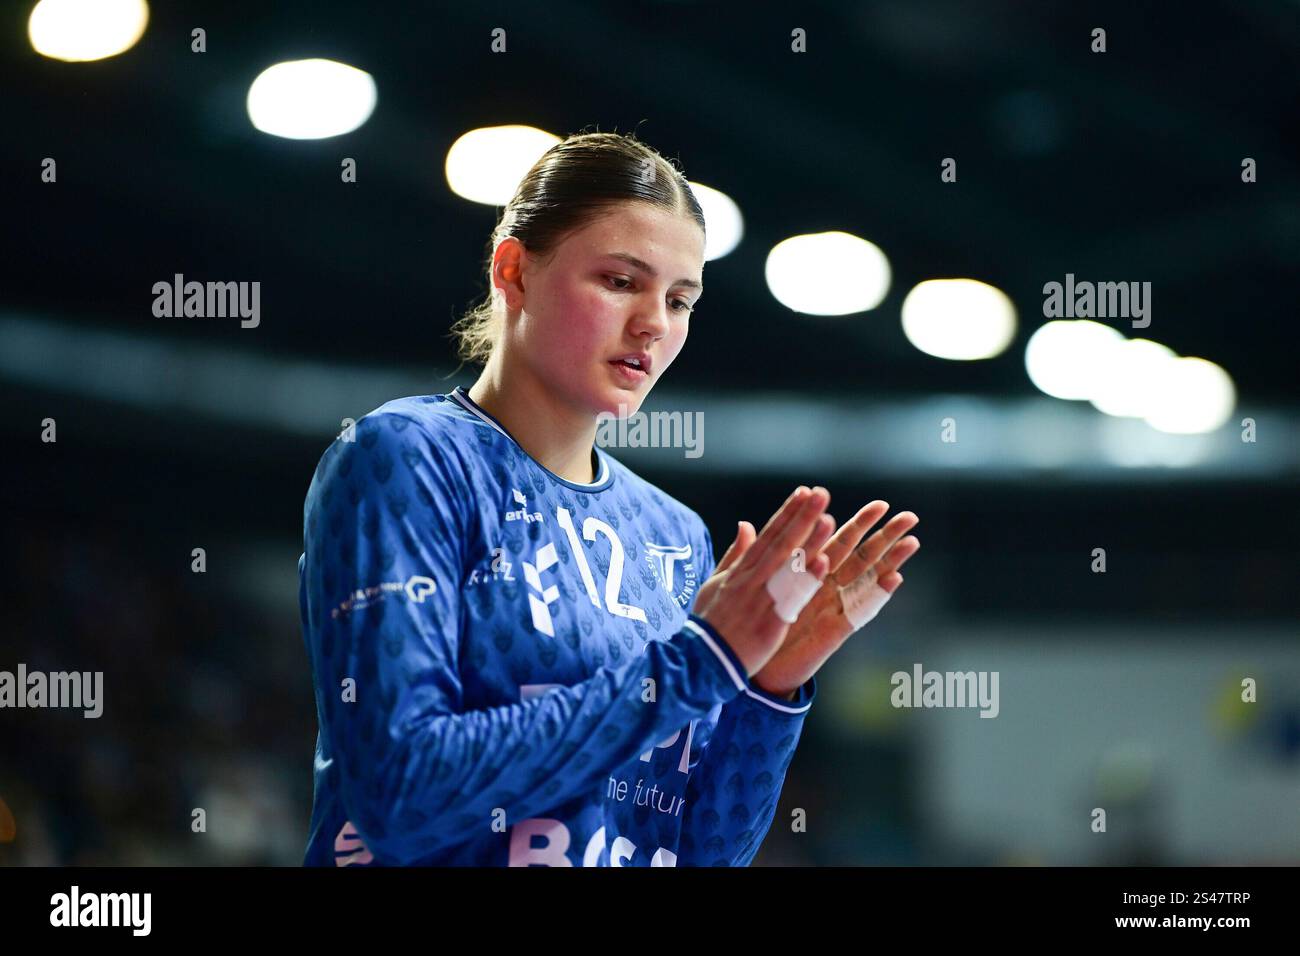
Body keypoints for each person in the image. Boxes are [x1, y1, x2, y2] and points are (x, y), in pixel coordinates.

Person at [296, 130, 920, 866]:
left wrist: (767, 693)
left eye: (681, 299)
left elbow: (692, 854)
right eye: (621, 282)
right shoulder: (406, 457)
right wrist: (696, 662)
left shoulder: (675, 535)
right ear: (515, 271)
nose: (655, 322)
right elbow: (401, 796)